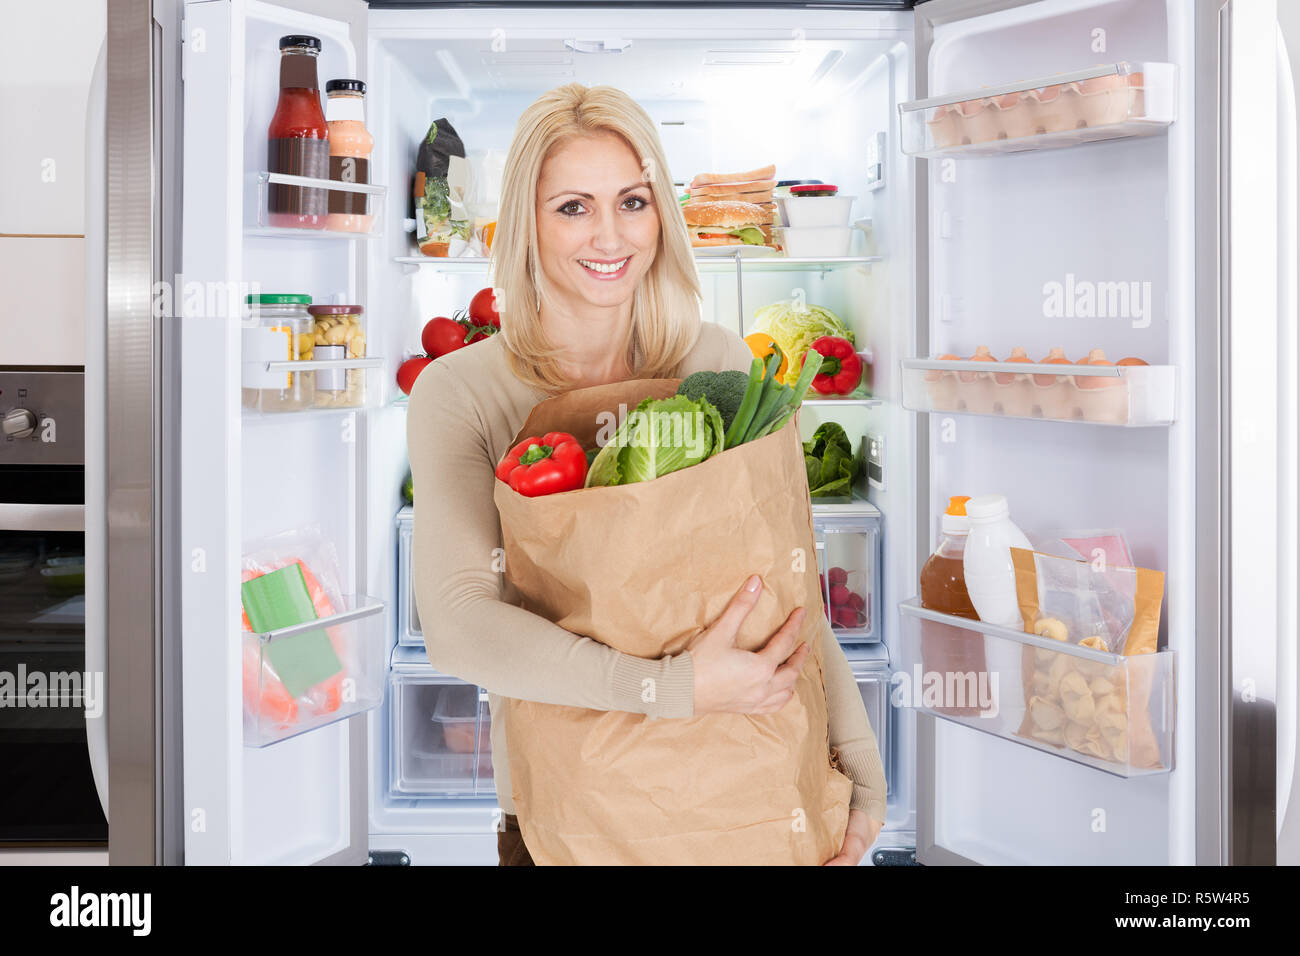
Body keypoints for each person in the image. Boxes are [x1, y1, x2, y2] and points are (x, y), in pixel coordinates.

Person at [407, 83, 886, 865]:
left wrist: (859, 764)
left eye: (633, 201)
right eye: (572, 207)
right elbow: (460, 625)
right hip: (574, 823)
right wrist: (670, 689)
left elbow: (791, 585)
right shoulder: (463, 392)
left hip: (752, 804)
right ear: (524, 222)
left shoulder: (720, 364)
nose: (610, 235)